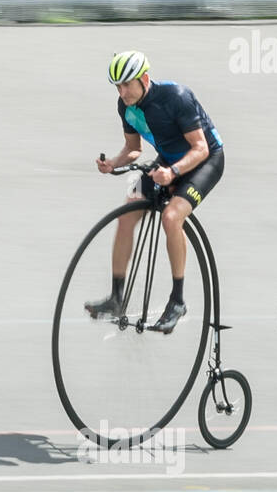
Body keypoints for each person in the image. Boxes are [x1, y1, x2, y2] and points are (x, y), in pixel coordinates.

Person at [88, 51, 224, 333]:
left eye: (126, 84)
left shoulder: (176, 96)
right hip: (167, 162)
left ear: (144, 79)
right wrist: (112, 163)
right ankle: (116, 297)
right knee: (126, 215)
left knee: (171, 217)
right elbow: (133, 148)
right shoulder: (125, 106)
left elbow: (201, 148)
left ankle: (177, 301)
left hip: (205, 161)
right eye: (117, 86)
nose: (122, 91)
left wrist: (172, 174)